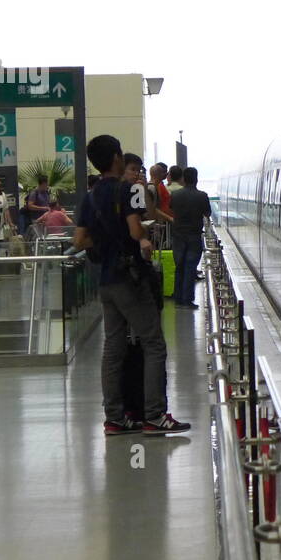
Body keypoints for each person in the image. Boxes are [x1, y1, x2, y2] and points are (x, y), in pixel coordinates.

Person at [74, 135, 189, 437]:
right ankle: (154, 416)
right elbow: (137, 228)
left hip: (105, 280)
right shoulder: (127, 190)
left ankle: (115, 418)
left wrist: (105, 239)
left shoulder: (91, 194)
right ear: (116, 158)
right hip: (129, 278)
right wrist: (140, 240)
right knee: (153, 343)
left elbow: (79, 240)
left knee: (113, 348)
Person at [169, 167, 212, 309]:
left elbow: (171, 209)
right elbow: (207, 214)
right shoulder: (202, 196)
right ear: (196, 178)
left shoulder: (175, 195)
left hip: (178, 235)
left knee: (179, 266)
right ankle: (187, 300)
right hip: (194, 235)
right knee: (190, 267)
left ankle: (178, 299)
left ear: (184, 179)